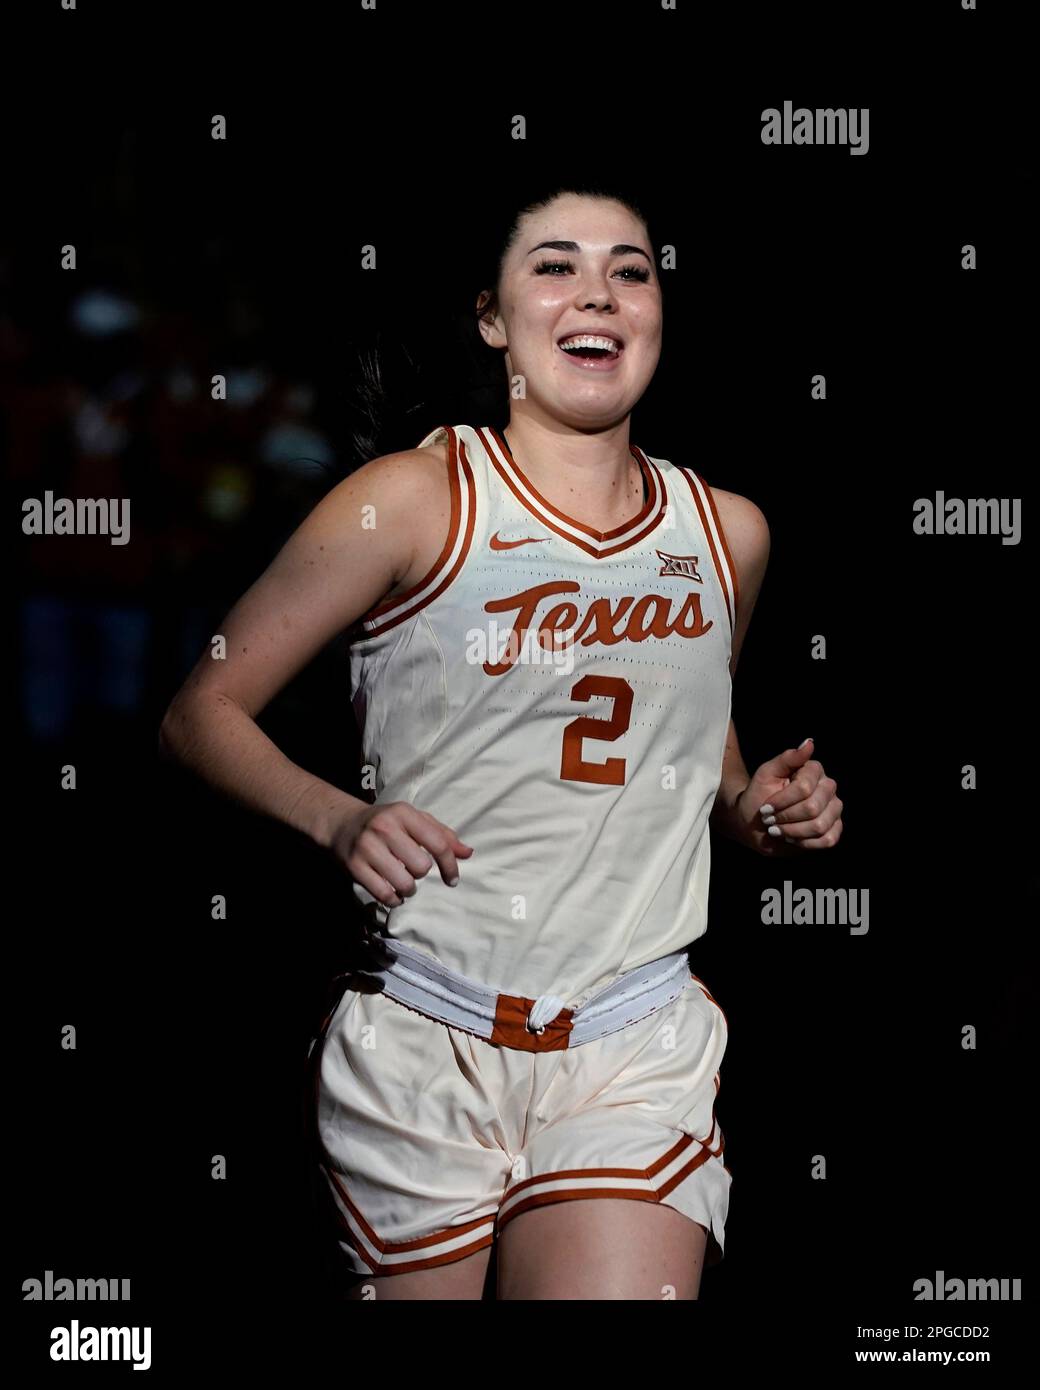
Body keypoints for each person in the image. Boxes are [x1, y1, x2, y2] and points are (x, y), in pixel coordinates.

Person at [159, 185, 843, 1301]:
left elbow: (697, 740)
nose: (597, 295)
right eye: (555, 267)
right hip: (425, 1037)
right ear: (491, 317)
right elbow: (200, 715)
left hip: (631, 1038)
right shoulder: (411, 500)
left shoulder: (726, 532)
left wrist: (750, 801)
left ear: (659, 309)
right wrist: (340, 817)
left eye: (630, 270)